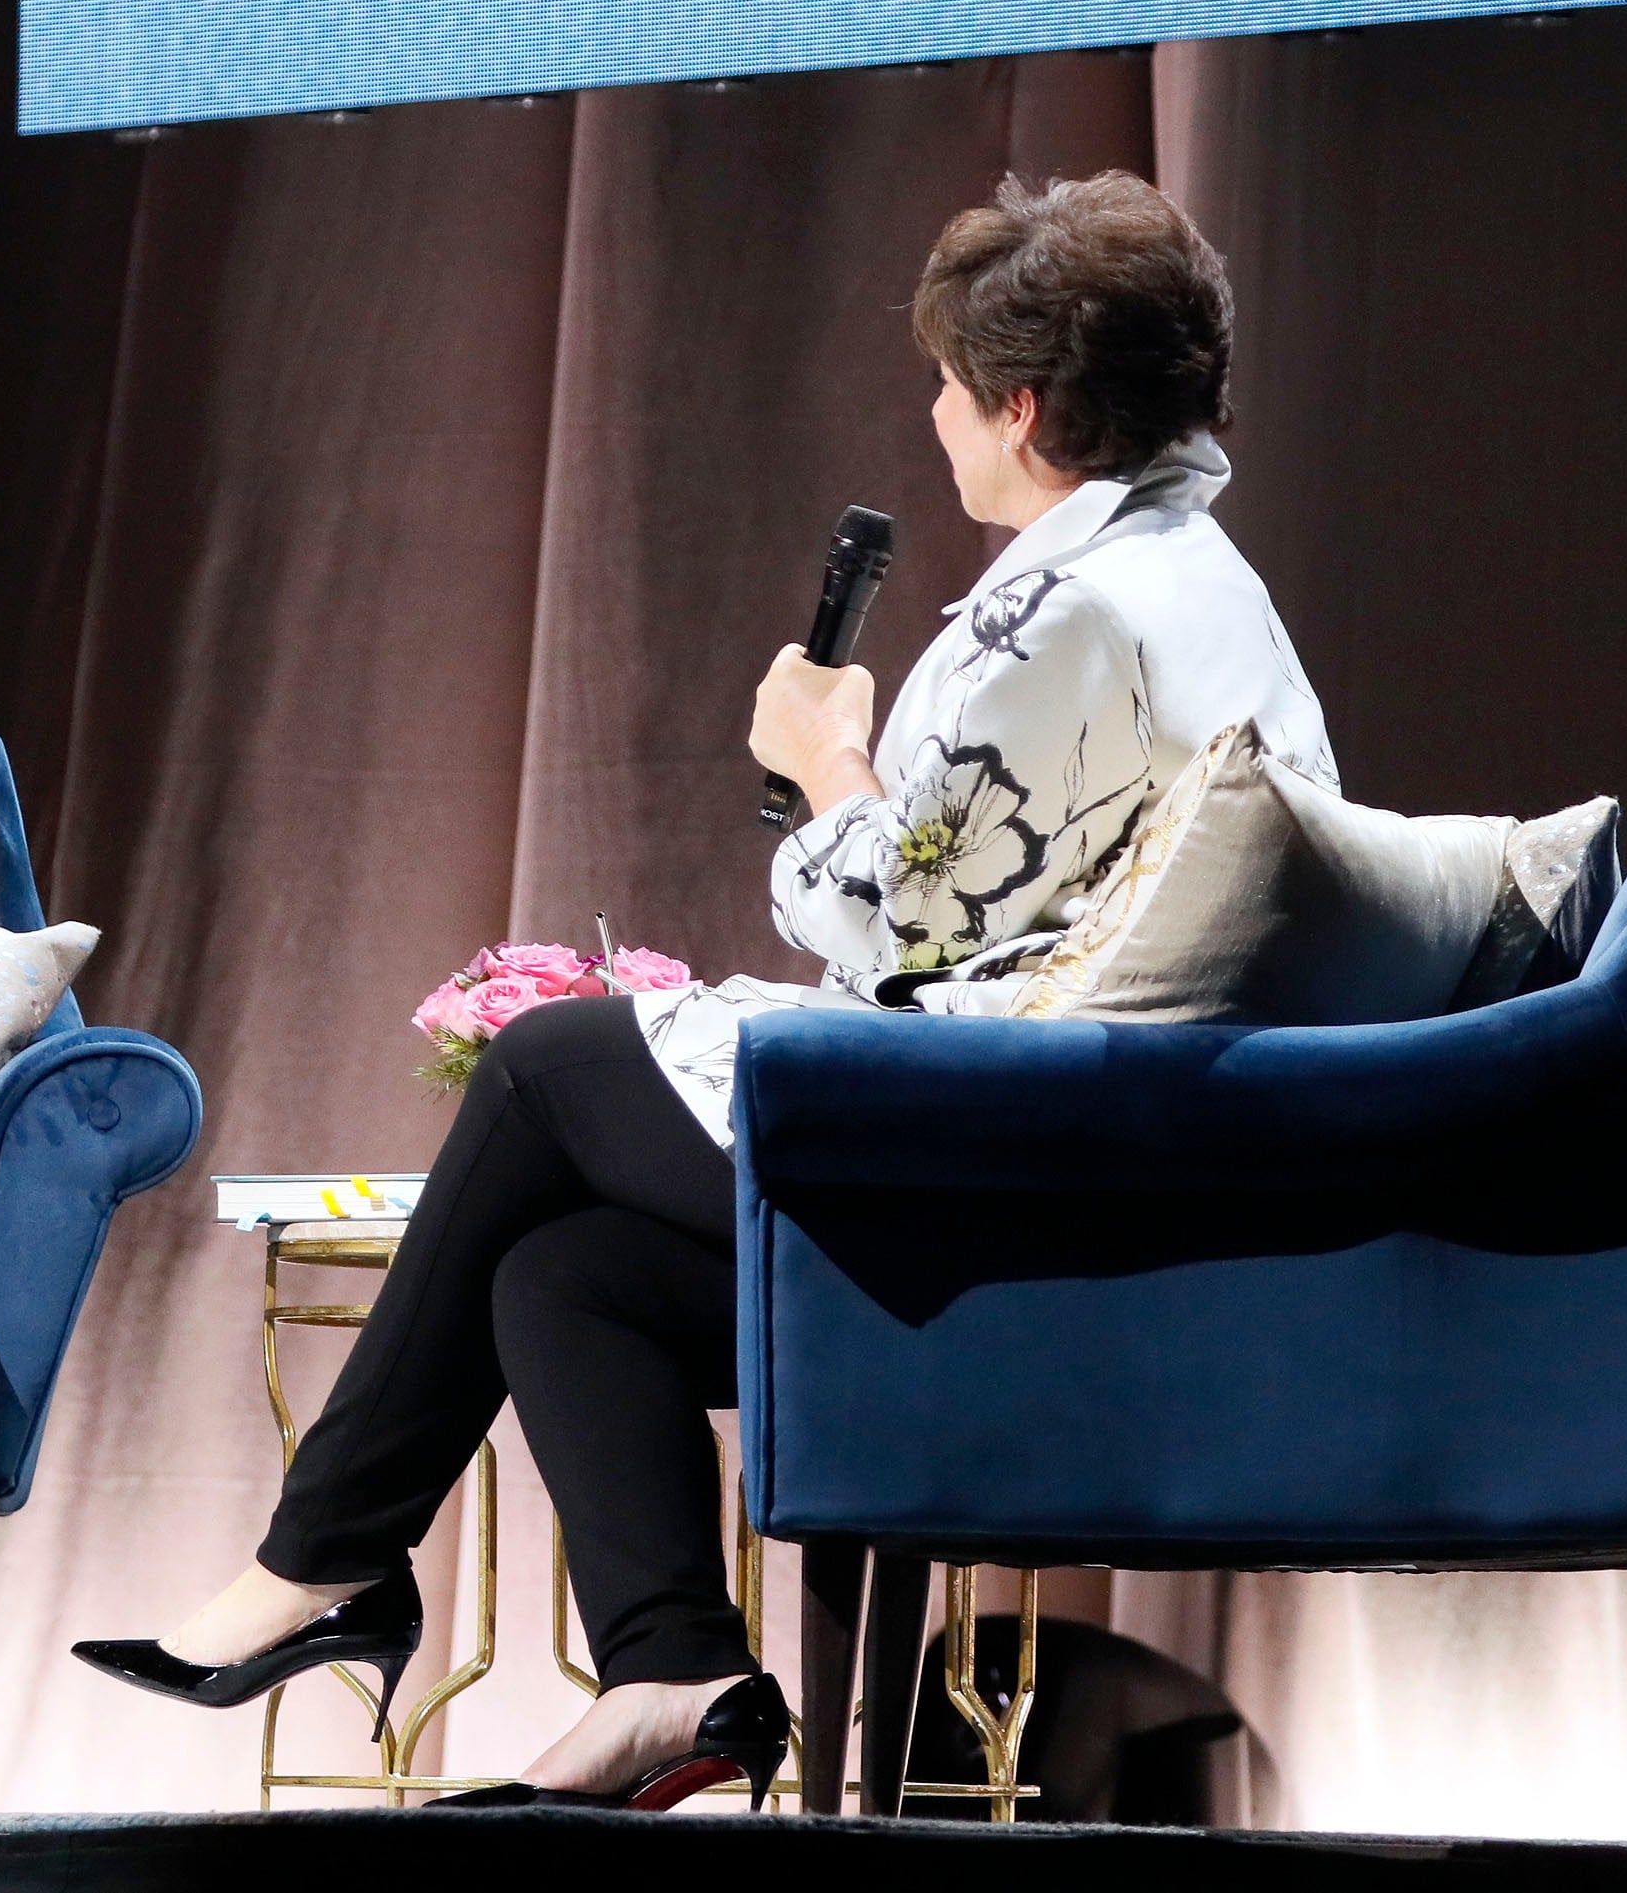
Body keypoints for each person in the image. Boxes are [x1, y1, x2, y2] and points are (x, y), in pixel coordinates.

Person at [69, 170, 1334, 1810]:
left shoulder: (1074, 603)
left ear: (1022, 406)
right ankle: (675, 1671)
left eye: (951, 389)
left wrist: (824, 764)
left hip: (1031, 1163)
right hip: (1088, 1130)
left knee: (549, 1061)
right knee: (563, 1271)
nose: (937, 420)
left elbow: (889, 924)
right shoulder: (1202, 575)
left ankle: (326, 1557)